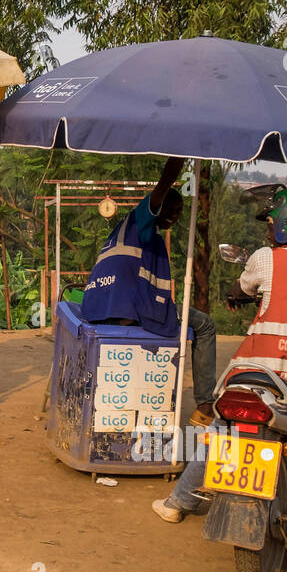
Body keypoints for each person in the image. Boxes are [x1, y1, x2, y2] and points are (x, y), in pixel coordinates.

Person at [152, 187, 287, 523]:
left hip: (262, 371)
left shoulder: (265, 258)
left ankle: (177, 503)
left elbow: (245, 287)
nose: (269, 229)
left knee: (222, 430)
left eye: (271, 222)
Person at [80, 156, 219, 423]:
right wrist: (178, 157)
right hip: (129, 308)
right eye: (171, 210)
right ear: (158, 205)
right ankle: (205, 405)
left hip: (103, 304)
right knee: (205, 326)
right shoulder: (140, 221)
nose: (174, 217)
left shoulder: (126, 232)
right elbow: (163, 185)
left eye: (179, 213)